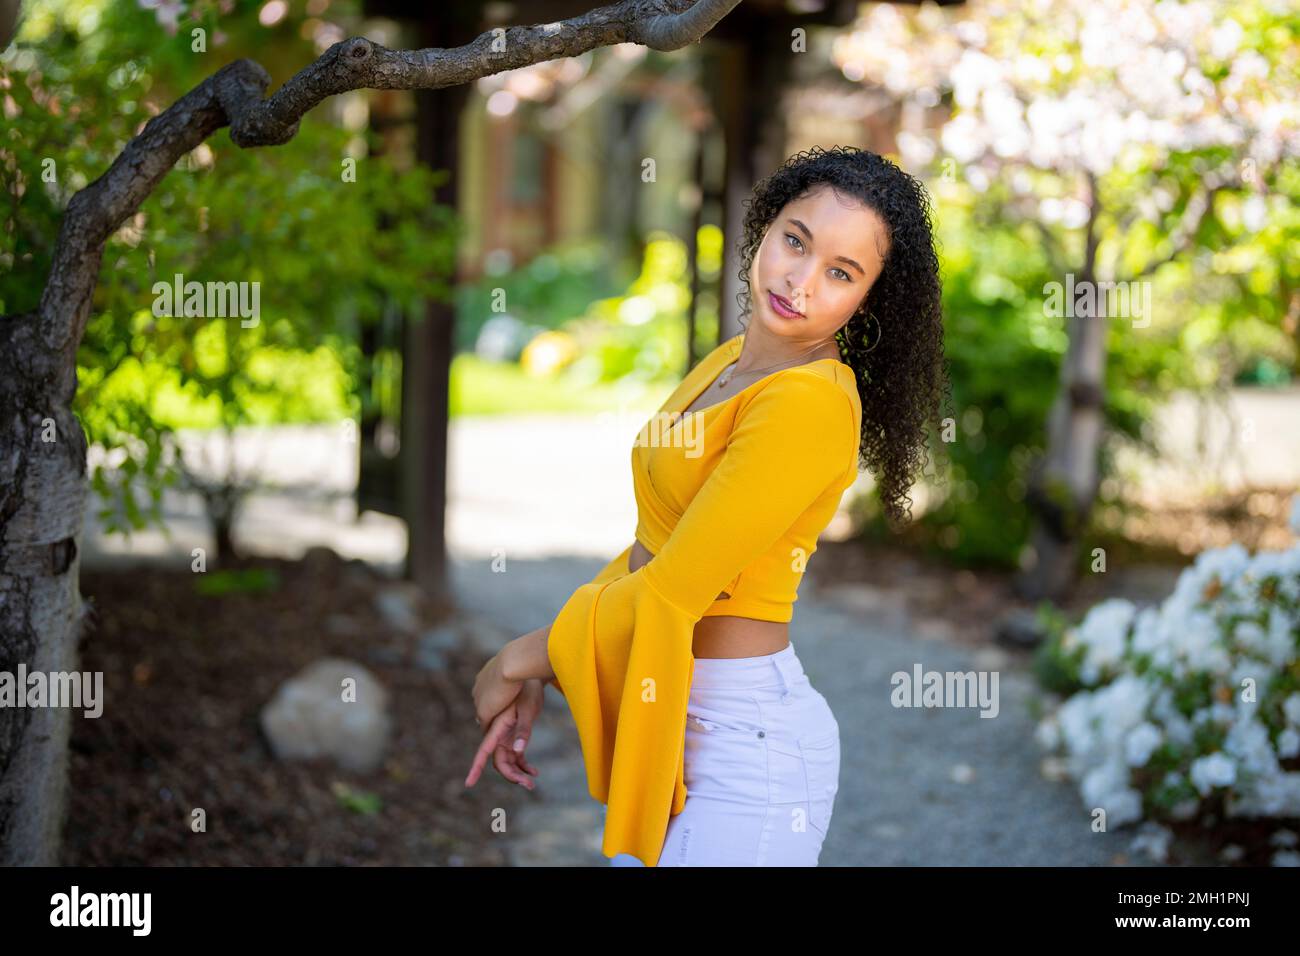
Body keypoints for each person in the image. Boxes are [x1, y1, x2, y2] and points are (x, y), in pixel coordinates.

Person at [465, 145, 952, 866]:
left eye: (841, 273)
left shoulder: (808, 403)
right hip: (677, 714)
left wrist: (521, 658)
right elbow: (652, 545)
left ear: (867, 300)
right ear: (766, 225)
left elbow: (673, 588)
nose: (801, 279)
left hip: (747, 745)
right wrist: (565, 660)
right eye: (796, 240)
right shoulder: (730, 363)